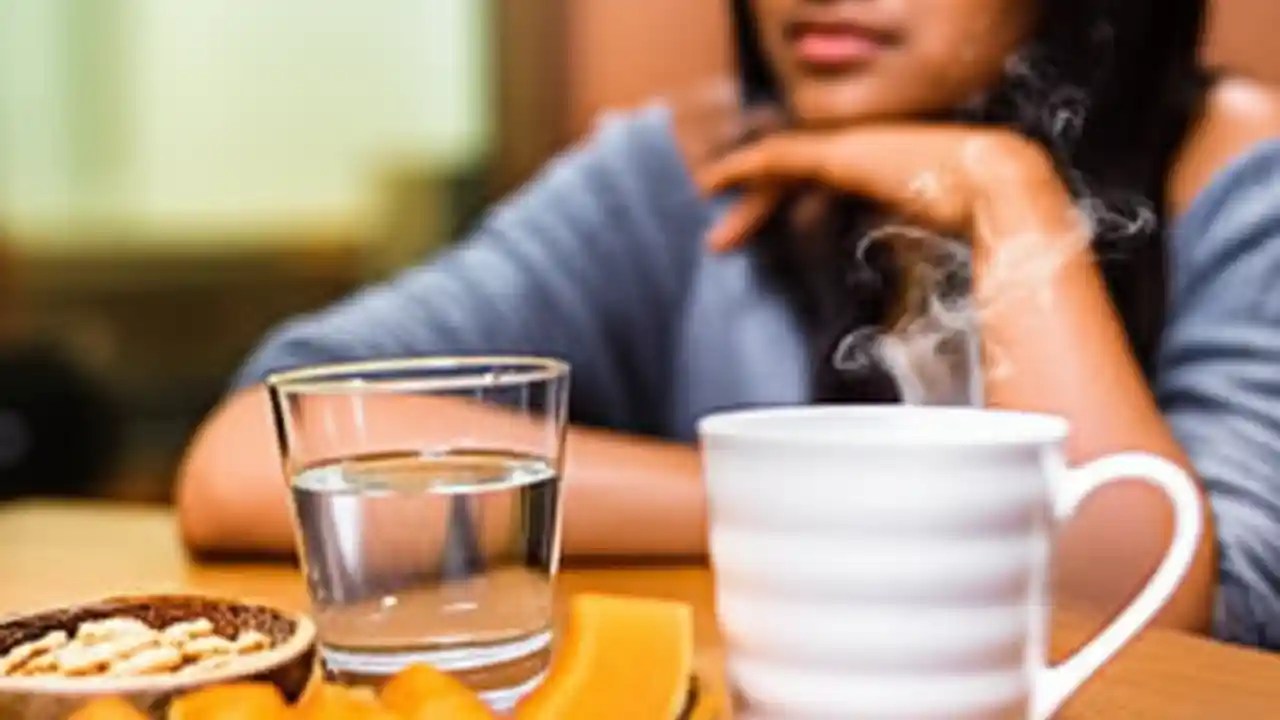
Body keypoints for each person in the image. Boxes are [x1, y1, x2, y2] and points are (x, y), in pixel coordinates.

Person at [179, 0, 1280, 649]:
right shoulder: (694, 169)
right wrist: (795, 501)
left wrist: (1004, 193)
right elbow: (252, 458)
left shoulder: (1239, 170)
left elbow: (1165, 605)